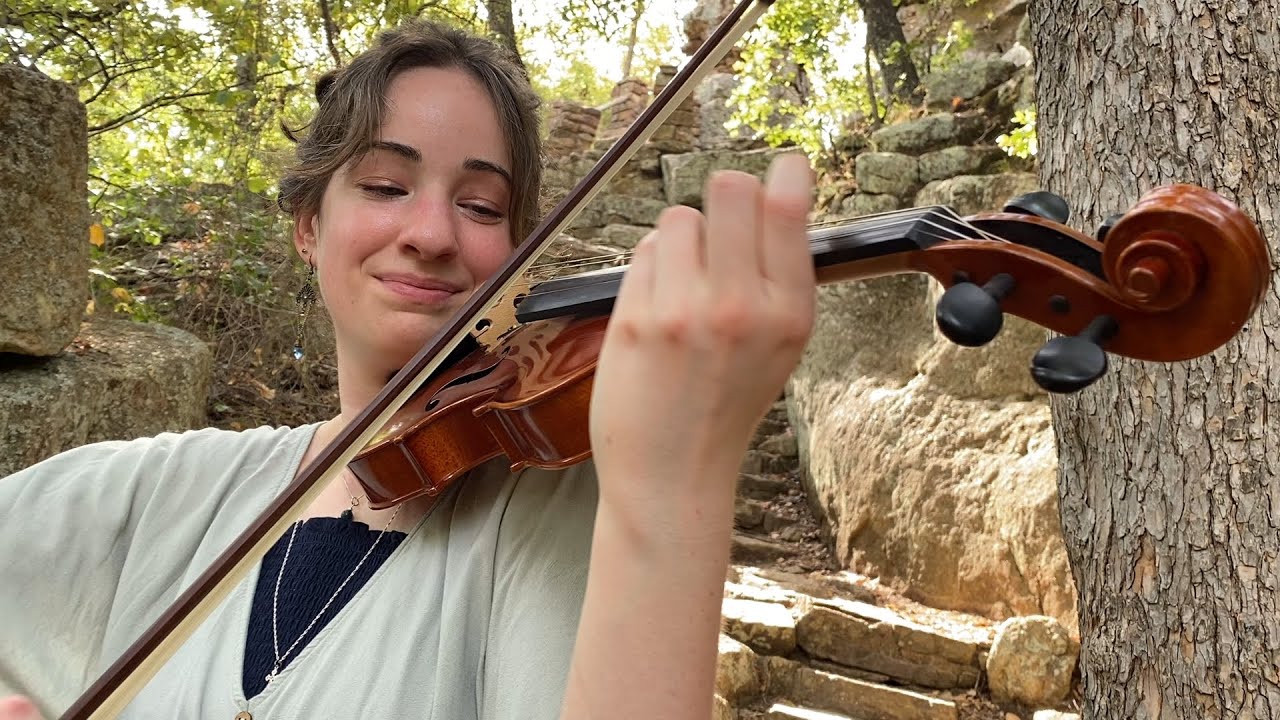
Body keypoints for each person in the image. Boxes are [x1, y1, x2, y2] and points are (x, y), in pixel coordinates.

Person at [0, 19, 815, 720]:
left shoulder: (561, 503)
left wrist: (675, 486)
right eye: (387, 185)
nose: (431, 232)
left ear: (519, 255)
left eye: (483, 206)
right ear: (309, 227)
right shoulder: (163, 493)